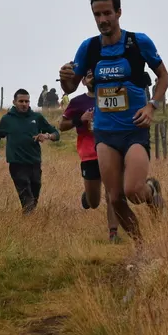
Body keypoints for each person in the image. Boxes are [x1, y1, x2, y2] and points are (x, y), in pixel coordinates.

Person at [59, 0, 168, 242]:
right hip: (105, 133)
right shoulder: (88, 47)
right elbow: (71, 87)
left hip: (134, 129)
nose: (102, 20)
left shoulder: (138, 42)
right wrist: (64, 78)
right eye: (97, 15)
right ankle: (142, 246)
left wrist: (151, 106)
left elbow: (163, 76)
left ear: (118, 12)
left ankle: (151, 190)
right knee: (115, 198)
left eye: (107, 13)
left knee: (133, 191)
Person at [59, 70, 120, 242]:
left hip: (111, 149)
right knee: (94, 203)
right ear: (83, 81)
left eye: (95, 74)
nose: (93, 77)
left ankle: (113, 232)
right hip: (89, 154)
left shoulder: (113, 96)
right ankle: (87, 196)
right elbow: (62, 125)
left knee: (112, 193)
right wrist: (80, 119)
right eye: (88, 75)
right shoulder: (77, 102)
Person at [0, 89, 60, 213]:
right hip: (17, 164)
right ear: (14, 102)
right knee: (27, 199)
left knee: (34, 198)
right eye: (21, 101)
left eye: (27, 101)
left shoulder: (36, 117)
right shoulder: (7, 119)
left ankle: (29, 219)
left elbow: (56, 134)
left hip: (35, 163)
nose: (24, 104)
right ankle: (28, 218)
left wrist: (47, 136)